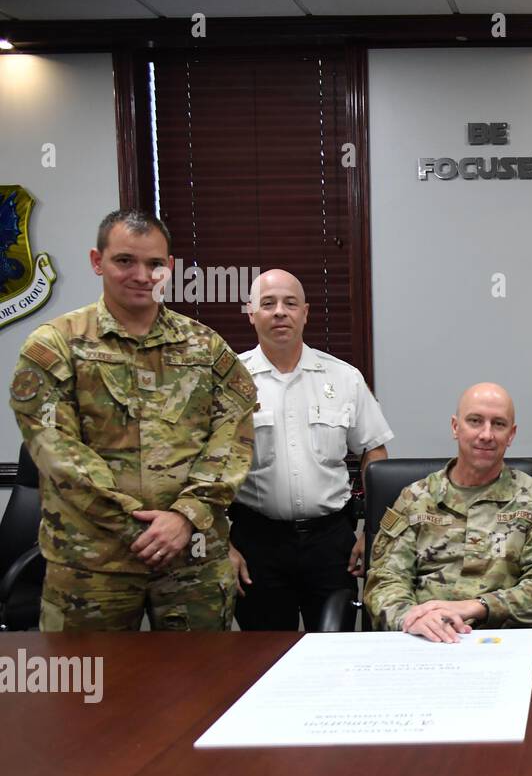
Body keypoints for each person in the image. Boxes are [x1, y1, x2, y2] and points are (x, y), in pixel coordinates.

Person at [9, 209, 255, 631]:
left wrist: (185, 516)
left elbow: (233, 436)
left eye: (155, 263)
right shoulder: (55, 345)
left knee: (201, 688)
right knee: (88, 691)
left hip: (192, 559)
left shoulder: (206, 346)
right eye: (125, 260)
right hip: (93, 563)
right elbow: (56, 452)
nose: (142, 275)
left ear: (170, 268)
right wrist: (136, 526)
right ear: (97, 261)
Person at [227, 269, 393, 631]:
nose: (280, 312)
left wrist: (372, 532)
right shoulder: (229, 380)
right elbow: (202, 467)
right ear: (251, 313)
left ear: (306, 312)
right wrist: (222, 546)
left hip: (331, 544)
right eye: (268, 304)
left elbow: (374, 453)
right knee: (264, 660)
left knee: (337, 656)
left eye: (290, 303)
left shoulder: (343, 377)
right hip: (257, 544)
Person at [363, 383, 532, 641]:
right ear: (455, 427)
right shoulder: (415, 497)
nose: (486, 434)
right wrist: (410, 618)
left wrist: (476, 607)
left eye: (498, 424)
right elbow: (385, 580)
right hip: (421, 639)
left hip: (501, 641)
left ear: (511, 434)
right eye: (475, 421)